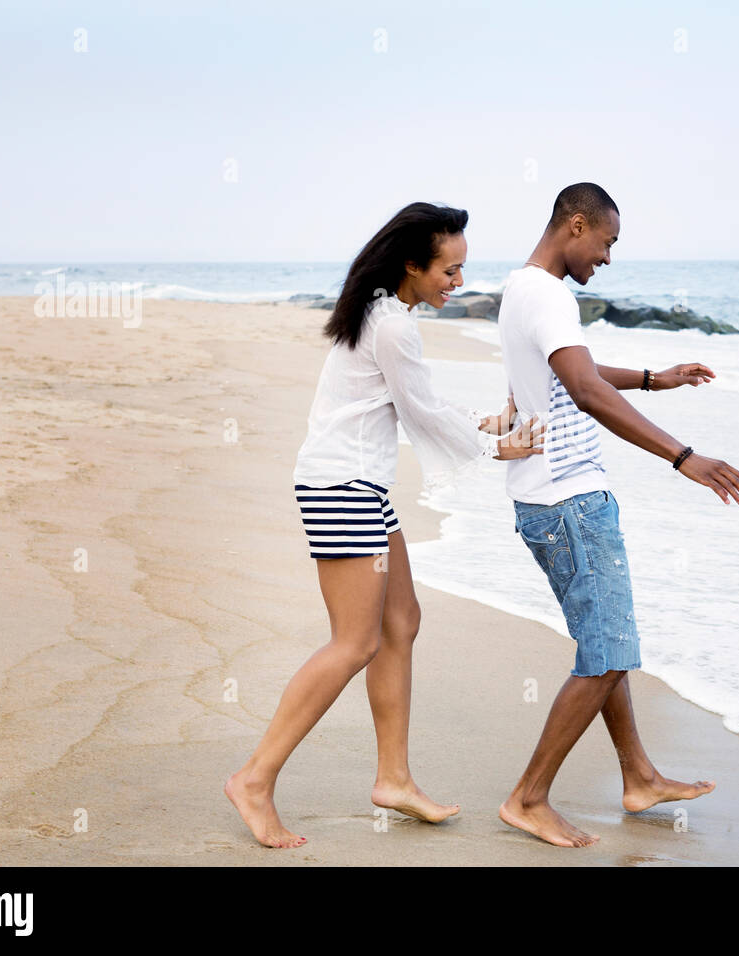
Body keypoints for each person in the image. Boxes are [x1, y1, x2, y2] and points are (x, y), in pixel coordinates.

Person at [227, 201, 545, 848]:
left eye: (463, 270)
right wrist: (497, 447)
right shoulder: (393, 327)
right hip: (341, 488)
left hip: (359, 486)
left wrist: (480, 425)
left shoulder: (382, 314)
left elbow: (414, 404)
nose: (458, 283)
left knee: (402, 621)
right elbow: (422, 414)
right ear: (411, 265)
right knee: (354, 642)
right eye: (449, 272)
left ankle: (393, 779)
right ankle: (254, 780)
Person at [497, 182, 739, 847]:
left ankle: (638, 776)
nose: (607, 258)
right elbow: (581, 388)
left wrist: (651, 377)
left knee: (602, 643)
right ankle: (528, 799)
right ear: (576, 226)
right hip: (570, 498)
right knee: (609, 651)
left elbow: (565, 371)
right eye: (607, 242)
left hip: (546, 495)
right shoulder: (549, 294)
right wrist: (683, 455)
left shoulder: (523, 288)